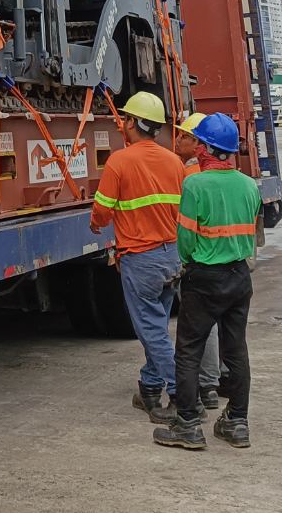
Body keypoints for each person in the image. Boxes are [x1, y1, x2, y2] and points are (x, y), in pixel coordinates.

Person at [156, 112, 261, 451]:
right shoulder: (248, 185)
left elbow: (185, 238)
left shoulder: (195, 184)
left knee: (188, 351)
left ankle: (187, 424)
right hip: (239, 276)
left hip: (204, 276)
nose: (195, 147)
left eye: (198, 142)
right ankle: (238, 422)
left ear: (207, 148)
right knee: (236, 350)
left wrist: (188, 264)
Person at [88, 91, 188, 423]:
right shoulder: (174, 161)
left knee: (152, 331)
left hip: (140, 259)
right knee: (156, 325)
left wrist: (96, 223)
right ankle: (148, 388)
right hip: (172, 255)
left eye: (125, 119)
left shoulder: (120, 160)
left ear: (131, 123)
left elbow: (101, 212)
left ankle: (181, 397)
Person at [172, 111, 224, 410]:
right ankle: (218, 379)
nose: (177, 139)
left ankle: (202, 390)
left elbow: (186, 229)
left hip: (200, 262)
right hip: (228, 264)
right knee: (222, 324)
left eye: (184, 136)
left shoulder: (191, 178)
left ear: (198, 144)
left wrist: (184, 261)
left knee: (196, 329)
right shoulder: (234, 180)